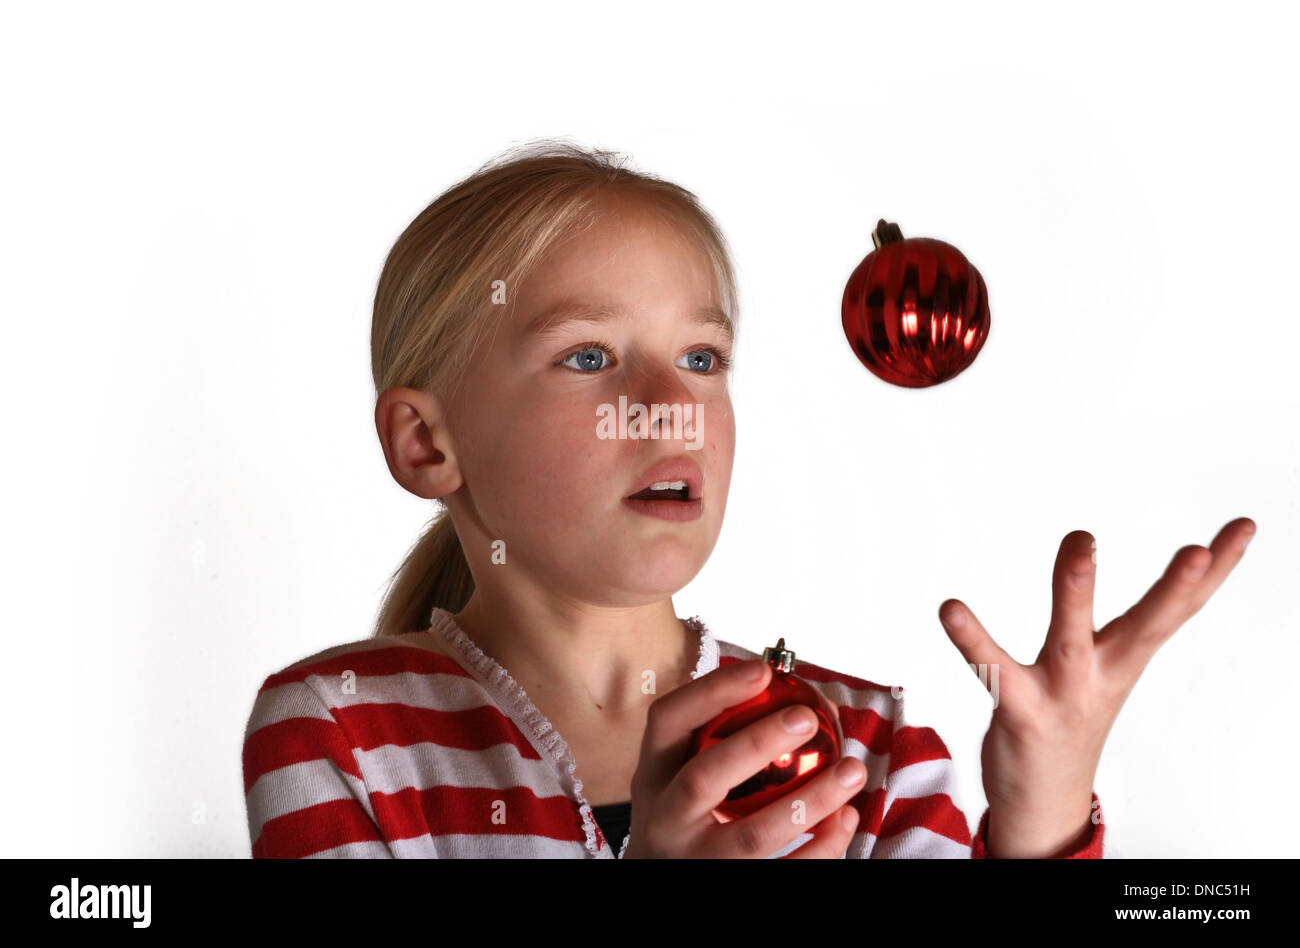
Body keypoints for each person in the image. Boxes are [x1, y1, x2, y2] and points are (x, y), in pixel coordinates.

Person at [241, 139, 1255, 858]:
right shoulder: (339, 732)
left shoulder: (867, 745)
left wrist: (1044, 820)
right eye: (588, 355)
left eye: (702, 355)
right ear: (428, 443)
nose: (668, 402)